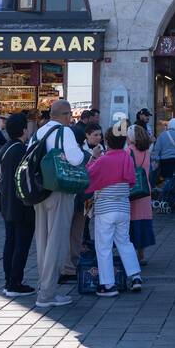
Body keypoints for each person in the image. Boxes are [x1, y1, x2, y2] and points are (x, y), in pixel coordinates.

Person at [30, 100, 83, 308]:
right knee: (57, 242)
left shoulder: (39, 132)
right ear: (65, 114)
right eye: (70, 114)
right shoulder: (65, 132)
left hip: (40, 191)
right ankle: (48, 294)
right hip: (59, 190)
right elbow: (76, 159)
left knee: (42, 241)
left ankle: (43, 286)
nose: (71, 118)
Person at [86, 127, 145, 296]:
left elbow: (88, 175)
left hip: (105, 207)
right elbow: (132, 181)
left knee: (103, 246)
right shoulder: (126, 157)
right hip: (123, 207)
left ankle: (108, 285)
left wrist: (93, 157)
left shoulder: (103, 160)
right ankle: (135, 276)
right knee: (125, 242)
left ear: (107, 141)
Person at [0, 113, 36, 297]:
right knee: (21, 244)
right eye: (26, 128)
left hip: (7, 203)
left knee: (10, 242)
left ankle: (9, 280)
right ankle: (15, 282)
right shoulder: (20, 150)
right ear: (22, 130)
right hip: (21, 204)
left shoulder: (5, 148)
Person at [61, 121, 103, 283]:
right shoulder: (85, 155)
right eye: (96, 134)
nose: (98, 138)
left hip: (71, 198)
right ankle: (72, 264)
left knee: (69, 232)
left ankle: (68, 265)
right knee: (77, 232)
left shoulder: (68, 154)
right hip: (86, 198)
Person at [127, 124, 155, 265]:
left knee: (132, 221)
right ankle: (141, 254)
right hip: (145, 188)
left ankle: (131, 254)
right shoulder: (147, 151)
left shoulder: (128, 151)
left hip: (132, 189)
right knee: (143, 220)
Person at [151, 117, 175, 213]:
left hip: (165, 162)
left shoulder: (161, 135)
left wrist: (156, 159)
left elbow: (157, 149)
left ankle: (165, 199)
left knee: (167, 180)